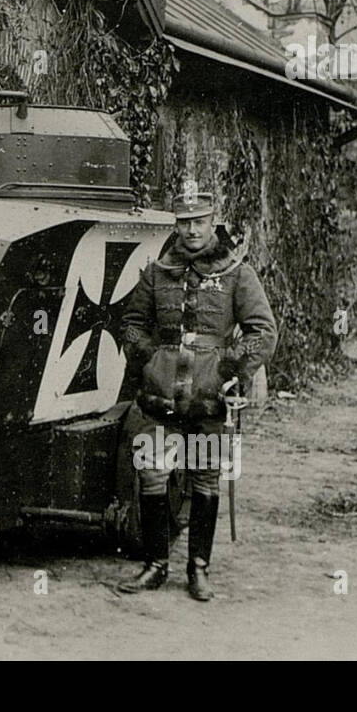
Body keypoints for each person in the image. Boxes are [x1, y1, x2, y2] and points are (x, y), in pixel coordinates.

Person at [116, 190, 277, 600]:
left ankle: (198, 570)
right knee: (152, 476)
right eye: (185, 223)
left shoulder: (238, 274)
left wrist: (231, 369)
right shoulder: (157, 273)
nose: (192, 230)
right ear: (176, 226)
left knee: (205, 480)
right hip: (159, 397)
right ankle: (154, 567)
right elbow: (132, 323)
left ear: (212, 222)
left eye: (199, 222)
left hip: (208, 399)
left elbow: (263, 331)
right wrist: (151, 359)